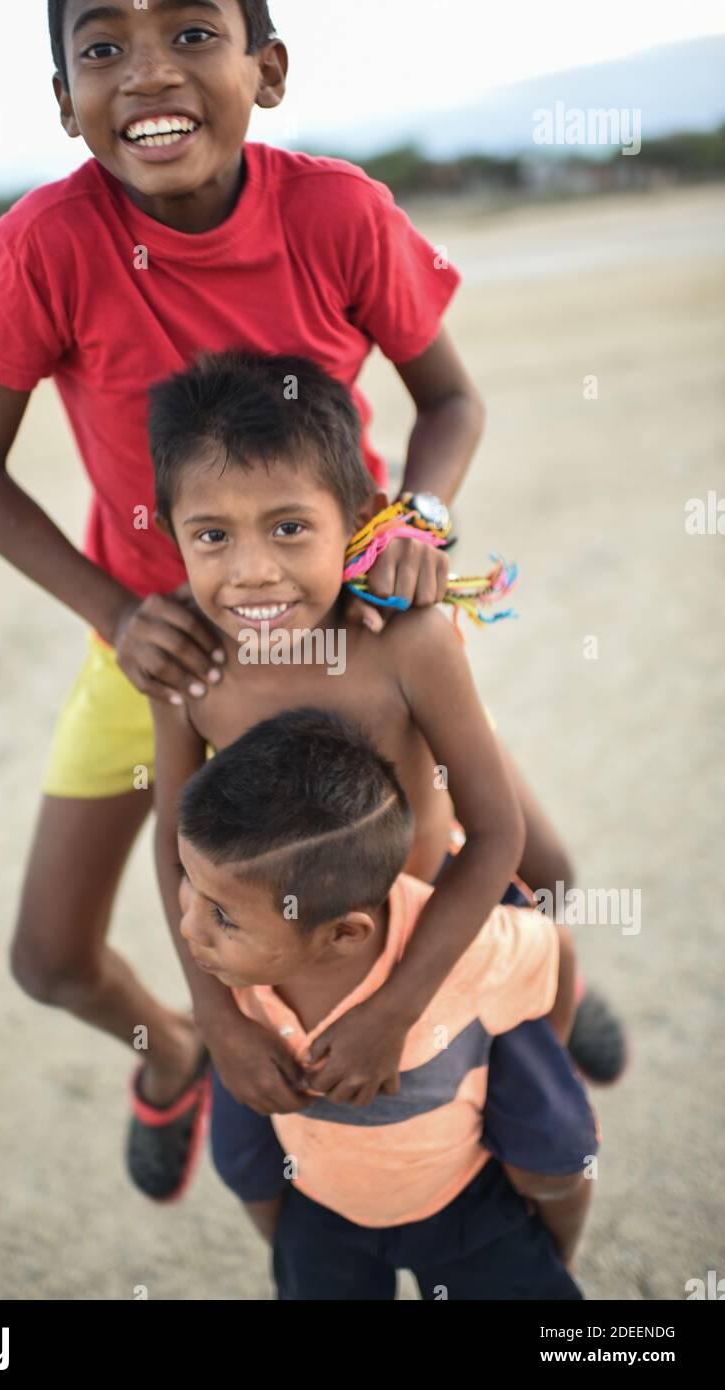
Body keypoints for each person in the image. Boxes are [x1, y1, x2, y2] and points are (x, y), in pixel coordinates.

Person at [0, 0, 619, 1201]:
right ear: (62, 101)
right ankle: (179, 1054)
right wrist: (114, 610)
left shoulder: (338, 212)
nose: (148, 73)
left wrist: (417, 521)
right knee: (47, 956)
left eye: (193, 33)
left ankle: (518, 1009)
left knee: (538, 867)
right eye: (102, 48)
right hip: (160, 639)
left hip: (349, 609)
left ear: (271, 69)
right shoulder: (47, 245)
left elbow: (449, 401)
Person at [147, 347, 601, 1235]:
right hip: (271, 971)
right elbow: (176, 844)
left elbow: (498, 835)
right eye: (211, 536)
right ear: (169, 532)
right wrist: (217, 1022)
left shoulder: (406, 642)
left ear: (358, 516)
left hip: (440, 938)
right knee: (258, 1167)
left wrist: (397, 1007)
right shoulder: (189, 666)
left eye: (288, 529)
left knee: (547, 1149)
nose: (250, 573)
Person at [176, 707, 593, 1300]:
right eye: (188, 884)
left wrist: (538, 1056)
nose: (189, 927)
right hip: (320, 1214)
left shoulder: (461, 949)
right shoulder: (232, 958)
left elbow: (553, 948)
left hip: (465, 1211)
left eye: (220, 916)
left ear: (344, 935)